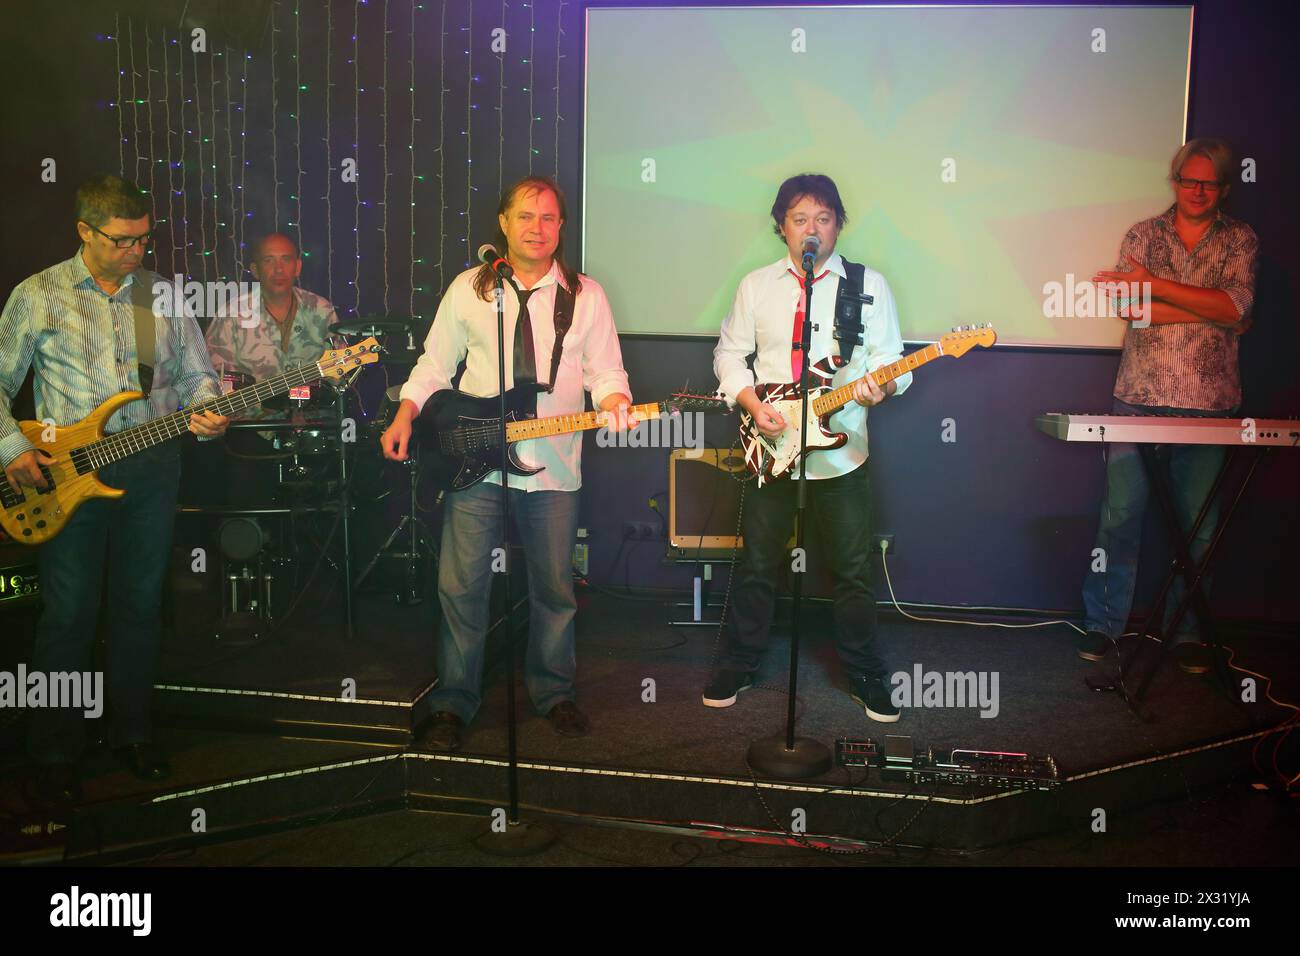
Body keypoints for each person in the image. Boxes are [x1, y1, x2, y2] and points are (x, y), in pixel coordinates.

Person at [380, 176, 633, 751]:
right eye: (525, 217)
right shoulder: (470, 289)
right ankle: (453, 700)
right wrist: (403, 416)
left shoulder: (585, 295)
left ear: (561, 227)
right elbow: (434, 365)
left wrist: (615, 401)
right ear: (503, 224)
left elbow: (606, 371)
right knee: (462, 585)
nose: (536, 228)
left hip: (553, 463)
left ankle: (553, 693)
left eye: (547, 218)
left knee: (553, 588)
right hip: (476, 461)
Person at [0, 174, 228, 804]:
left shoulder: (163, 295)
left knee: (138, 608)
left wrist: (207, 411)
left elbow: (197, 375)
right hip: (64, 475)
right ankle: (53, 749)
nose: (136, 252)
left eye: (144, 239)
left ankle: (131, 732)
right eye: (123, 241)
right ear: (84, 231)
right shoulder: (37, 294)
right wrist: (14, 449)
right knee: (68, 616)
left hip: (151, 466)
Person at [706, 173, 910, 722]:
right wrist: (752, 404)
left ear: (838, 225)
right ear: (782, 227)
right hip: (771, 445)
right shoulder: (757, 285)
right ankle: (740, 661)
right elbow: (729, 355)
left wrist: (881, 385)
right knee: (755, 564)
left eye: (823, 218)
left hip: (841, 452)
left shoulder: (869, 285)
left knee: (851, 571)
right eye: (800, 219)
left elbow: (891, 365)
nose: (811, 229)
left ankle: (865, 672)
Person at [1079, 138, 1259, 672]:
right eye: (1188, 180)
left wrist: (1159, 288)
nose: (1197, 191)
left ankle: (1184, 632)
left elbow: (1239, 307)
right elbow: (1133, 309)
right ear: (1175, 182)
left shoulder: (1240, 239)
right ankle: (1105, 626)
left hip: (1211, 405)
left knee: (1198, 527)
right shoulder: (1143, 234)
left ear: (1223, 188)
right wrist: (1210, 308)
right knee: (1118, 519)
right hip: (1138, 398)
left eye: (1208, 182)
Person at [199, 233, 340, 506]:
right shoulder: (232, 314)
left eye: (286, 260)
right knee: (250, 514)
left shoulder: (321, 311)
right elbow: (213, 381)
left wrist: (305, 409)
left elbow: (339, 376)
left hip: (313, 433)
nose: (278, 269)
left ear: (298, 266)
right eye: (269, 260)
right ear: (255, 270)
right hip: (251, 435)